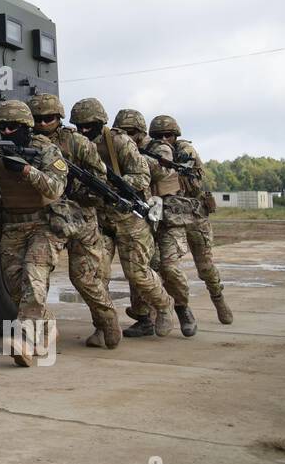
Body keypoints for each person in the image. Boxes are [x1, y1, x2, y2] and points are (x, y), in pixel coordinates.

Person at [0, 99, 69, 366]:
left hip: (43, 226)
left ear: (25, 126)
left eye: (13, 126)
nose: (7, 132)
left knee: (33, 283)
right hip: (11, 226)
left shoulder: (46, 150)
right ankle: (47, 328)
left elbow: (55, 188)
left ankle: (23, 341)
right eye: (2, 127)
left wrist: (25, 169)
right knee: (15, 289)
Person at [71, 100, 174, 338]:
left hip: (130, 218)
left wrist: (111, 186)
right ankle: (104, 326)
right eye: (79, 126)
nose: (84, 130)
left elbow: (142, 177)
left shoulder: (119, 141)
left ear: (101, 122)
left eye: (90, 125)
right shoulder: (77, 145)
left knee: (137, 272)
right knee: (97, 276)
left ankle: (164, 305)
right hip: (101, 220)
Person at [27, 94, 121, 348]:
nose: (43, 123)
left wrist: (79, 191)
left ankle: (107, 321)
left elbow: (100, 177)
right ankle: (36, 329)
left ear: (58, 118)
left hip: (82, 216)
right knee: (35, 269)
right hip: (49, 218)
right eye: (37, 119)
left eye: (48, 119)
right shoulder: (30, 143)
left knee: (84, 277)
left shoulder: (76, 142)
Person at [114, 109, 194, 336]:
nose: (127, 137)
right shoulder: (121, 148)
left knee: (168, 267)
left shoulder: (159, 148)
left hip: (167, 218)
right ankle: (143, 318)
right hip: (143, 217)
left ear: (140, 132)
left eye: (131, 133)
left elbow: (160, 169)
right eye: (122, 133)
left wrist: (128, 156)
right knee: (139, 266)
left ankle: (181, 307)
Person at [151, 115, 232, 325]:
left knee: (205, 266)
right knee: (166, 267)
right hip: (172, 217)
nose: (164, 139)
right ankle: (176, 308)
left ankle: (218, 298)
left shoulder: (185, 151)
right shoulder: (153, 153)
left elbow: (195, 185)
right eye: (159, 136)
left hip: (195, 215)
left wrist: (173, 167)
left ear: (176, 135)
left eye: (168, 135)